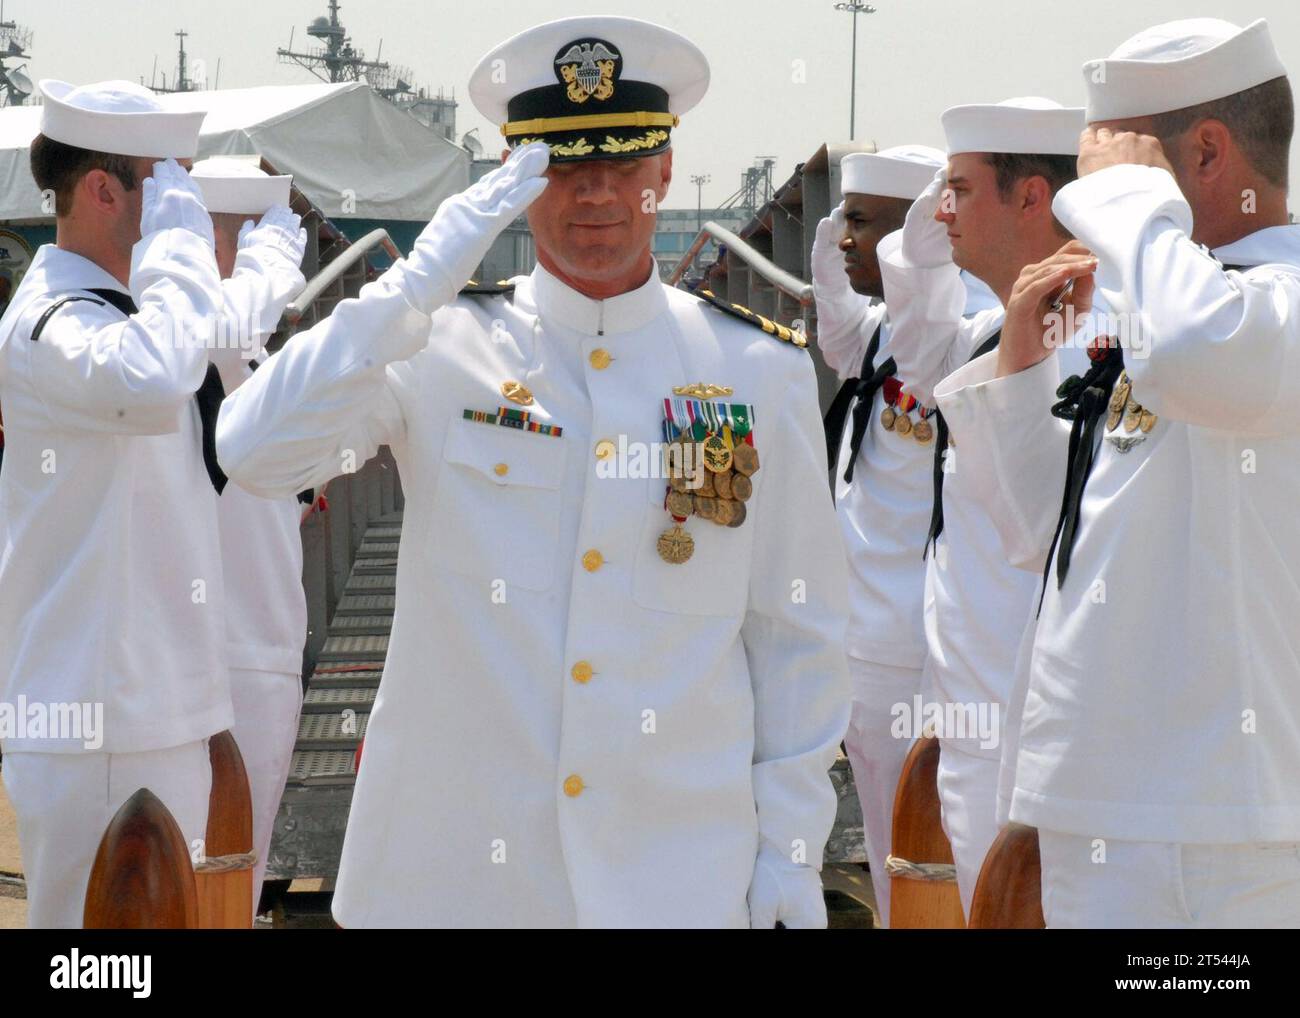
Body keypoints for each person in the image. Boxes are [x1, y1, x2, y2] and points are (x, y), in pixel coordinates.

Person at [217, 15, 850, 928]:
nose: (594, 193)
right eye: (560, 166)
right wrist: (407, 288)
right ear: (513, 179)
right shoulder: (436, 346)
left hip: (673, 880)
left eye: (623, 165)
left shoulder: (756, 370)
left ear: (665, 170)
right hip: (455, 885)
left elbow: (796, 634)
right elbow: (253, 452)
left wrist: (790, 859)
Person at [933, 18, 1300, 927]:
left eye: (1103, 180)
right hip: (1096, 802)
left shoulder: (1258, 304)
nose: (1077, 208)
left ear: (1206, 154)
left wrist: (1134, 199)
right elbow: (1038, 537)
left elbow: (1197, 350)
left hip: (1234, 829)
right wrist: (1021, 369)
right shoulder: (1152, 311)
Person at [0, 79, 229, 927]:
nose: (185, 207)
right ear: (104, 191)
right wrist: (178, 252)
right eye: (167, 183)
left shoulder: (121, 315)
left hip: (149, 703)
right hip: (95, 716)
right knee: (94, 967)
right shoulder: (53, 322)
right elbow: (155, 381)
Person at [875, 98, 1089, 918]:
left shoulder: (1104, 338)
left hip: (1039, 743)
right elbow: (915, 333)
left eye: (960, 188)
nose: (942, 207)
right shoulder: (983, 334)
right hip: (968, 721)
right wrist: (926, 242)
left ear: (1031, 198)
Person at [812, 145, 994, 926]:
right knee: (897, 842)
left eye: (862, 222)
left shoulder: (969, 328)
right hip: (869, 628)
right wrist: (826, 277)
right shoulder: (884, 329)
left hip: (932, 635)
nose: (844, 236)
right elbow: (843, 340)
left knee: (952, 839)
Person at [190, 156, 309, 917]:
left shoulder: (252, 356)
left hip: (260, 655)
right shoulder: (204, 347)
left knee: (231, 886)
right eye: (253, 234)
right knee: (201, 881)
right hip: (215, 663)